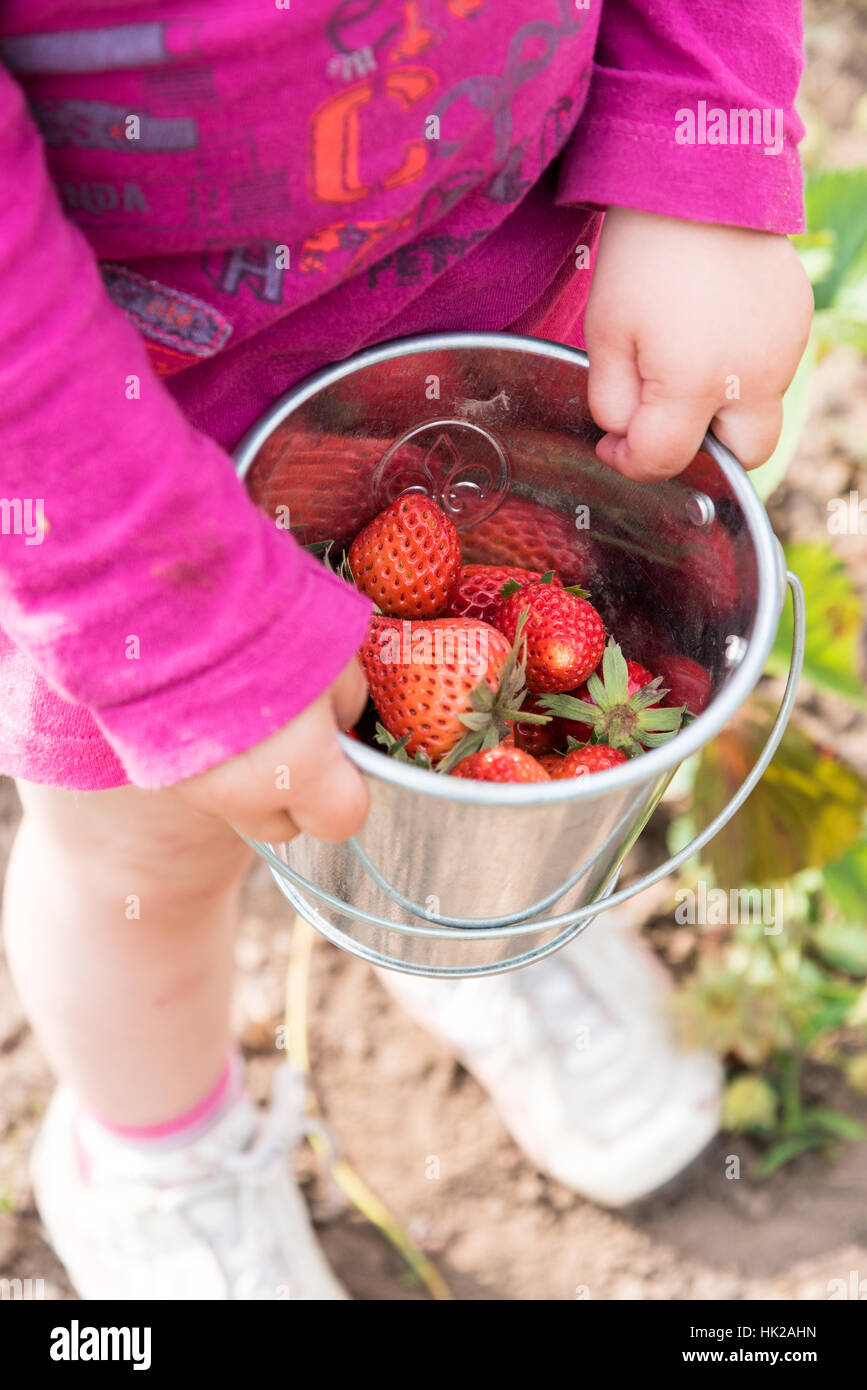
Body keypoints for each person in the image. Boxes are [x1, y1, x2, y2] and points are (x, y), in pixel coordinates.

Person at [0, 1, 812, 1299]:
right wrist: (150, 586)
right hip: (124, 456)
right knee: (137, 859)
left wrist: (702, 133)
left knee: (505, 658)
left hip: (511, 280)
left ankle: (460, 917)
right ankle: (158, 1158)